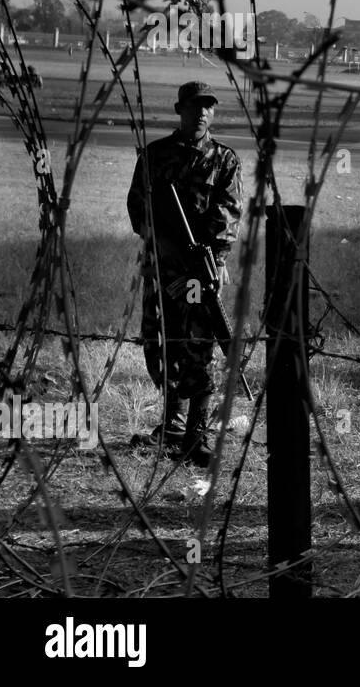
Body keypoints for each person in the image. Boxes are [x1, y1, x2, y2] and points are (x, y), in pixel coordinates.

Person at [126, 81, 242, 466]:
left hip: (201, 271)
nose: (202, 113)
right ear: (180, 109)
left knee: (200, 346)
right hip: (162, 268)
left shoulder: (224, 160)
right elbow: (138, 209)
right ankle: (172, 422)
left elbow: (227, 216)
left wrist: (212, 260)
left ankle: (197, 431)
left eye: (208, 107)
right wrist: (167, 242)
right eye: (195, 107)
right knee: (159, 343)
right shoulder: (155, 156)